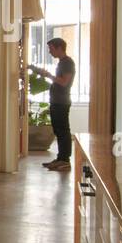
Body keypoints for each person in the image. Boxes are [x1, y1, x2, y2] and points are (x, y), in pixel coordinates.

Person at [31, 38, 76, 171]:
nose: (50, 52)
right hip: (57, 101)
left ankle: (64, 160)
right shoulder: (62, 63)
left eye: (51, 49)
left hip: (61, 102)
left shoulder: (67, 63)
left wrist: (49, 75)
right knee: (58, 130)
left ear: (59, 48)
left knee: (63, 131)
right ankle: (61, 158)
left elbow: (64, 82)